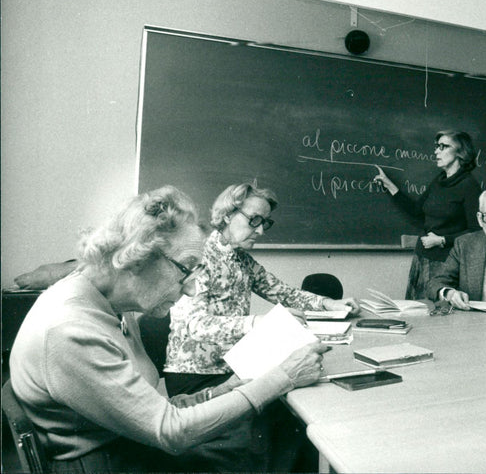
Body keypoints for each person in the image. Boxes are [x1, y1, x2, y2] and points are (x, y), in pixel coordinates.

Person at [8, 186, 328, 473]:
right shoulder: (71, 327)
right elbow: (169, 430)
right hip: (112, 464)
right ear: (139, 256)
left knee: (276, 432)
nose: (190, 290)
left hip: (126, 449)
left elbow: (147, 410)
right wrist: (282, 377)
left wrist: (223, 390)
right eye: (187, 269)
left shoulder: (109, 306)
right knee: (279, 440)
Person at [163, 182, 360, 396]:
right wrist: (260, 322)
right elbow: (197, 325)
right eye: (254, 220)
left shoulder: (242, 260)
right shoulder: (199, 256)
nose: (260, 230)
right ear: (228, 215)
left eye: (265, 223)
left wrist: (328, 303)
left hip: (232, 369)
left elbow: (284, 293)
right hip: (197, 377)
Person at [373, 130, 482, 300]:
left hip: (447, 266)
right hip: (422, 259)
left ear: (461, 152)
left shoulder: (470, 186)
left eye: (443, 146)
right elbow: (417, 211)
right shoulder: (439, 181)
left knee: (438, 317)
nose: (436, 151)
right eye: (437, 146)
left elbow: (476, 232)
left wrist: (443, 240)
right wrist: (390, 186)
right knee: (416, 312)